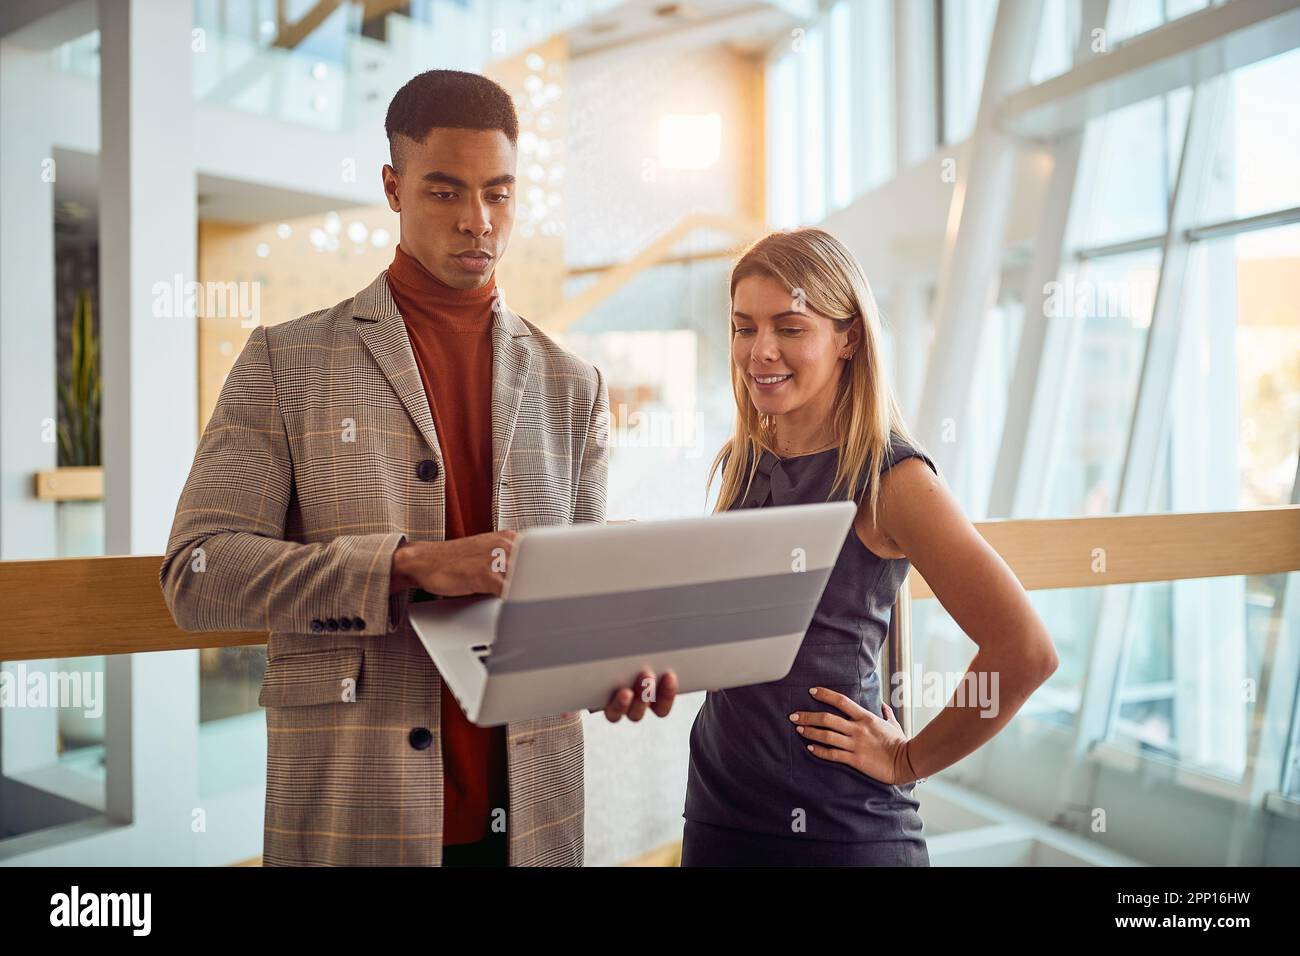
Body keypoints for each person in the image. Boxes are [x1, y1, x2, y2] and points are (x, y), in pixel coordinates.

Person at [160, 70, 675, 867]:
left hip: (530, 814)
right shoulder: (286, 361)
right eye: (445, 193)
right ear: (394, 189)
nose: (478, 222)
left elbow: (571, 603)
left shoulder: (574, 385)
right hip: (354, 802)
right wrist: (410, 565)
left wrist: (616, 664)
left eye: (499, 195)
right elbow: (197, 574)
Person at [682, 228, 1059, 866]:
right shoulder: (746, 460)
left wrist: (907, 757)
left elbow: (1024, 651)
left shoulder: (891, 480)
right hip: (719, 818)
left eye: (790, 327)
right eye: (744, 327)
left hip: (841, 834)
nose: (760, 351)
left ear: (848, 336)